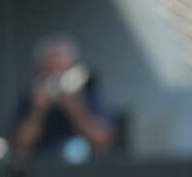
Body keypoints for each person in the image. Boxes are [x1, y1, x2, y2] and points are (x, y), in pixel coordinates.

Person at [11, 34, 115, 162]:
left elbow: (103, 140)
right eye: (50, 71)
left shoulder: (88, 94)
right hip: (43, 169)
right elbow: (20, 144)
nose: (57, 78)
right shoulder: (30, 99)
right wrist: (38, 110)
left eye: (62, 70)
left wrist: (74, 109)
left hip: (84, 169)